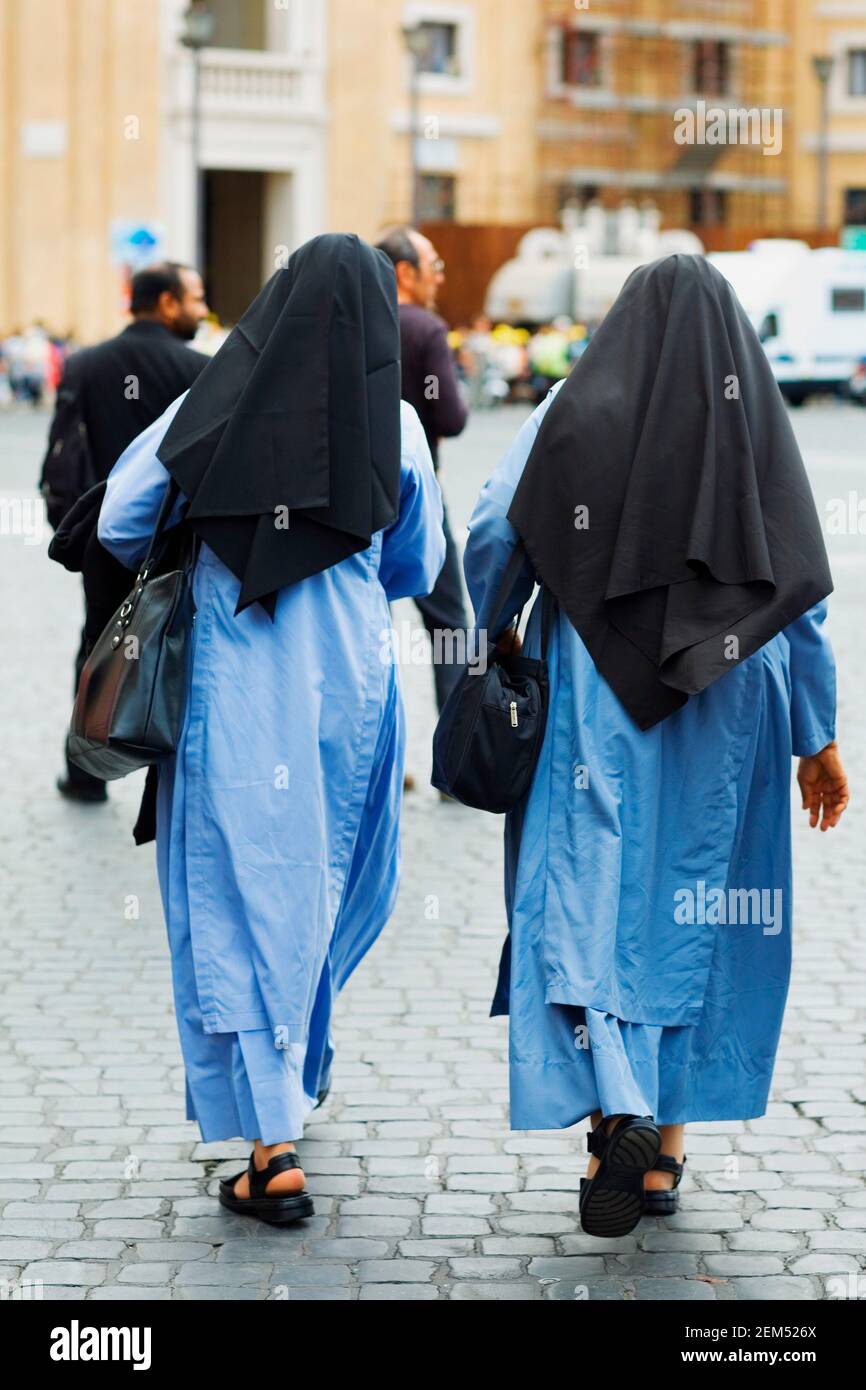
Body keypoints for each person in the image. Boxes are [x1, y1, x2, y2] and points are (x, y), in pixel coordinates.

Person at [462, 253, 848, 1239]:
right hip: (731, 689)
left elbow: (497, 533)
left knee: (593, 890)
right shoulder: (753, 423)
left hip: (597, 675)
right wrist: (817, 732)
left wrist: (500, 628)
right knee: (700, 902)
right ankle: (664, 1150)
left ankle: (614, 1102)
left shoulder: (574, 408)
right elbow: (793, 589)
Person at [96, 233, 446, 1224]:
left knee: (236, 891)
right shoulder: (396, 425)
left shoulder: (209, 401)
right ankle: (291, 1088)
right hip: (349, 686)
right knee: (319, 883)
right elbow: (416, 560)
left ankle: (272, 1142)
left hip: (232, 683)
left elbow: (122, 519)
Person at [40, 261, 210, 803]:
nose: (201, 310)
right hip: (177, 539)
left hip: (103, 538)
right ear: (166, 303)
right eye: (195, 299)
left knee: (98, 644)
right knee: (177, 647)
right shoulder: (200, 368)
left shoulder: (87, 363)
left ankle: (87, 771)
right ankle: (170, 773)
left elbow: (63, 448)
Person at [375, 227, 469, 720]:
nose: (440, 276)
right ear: (405, 272)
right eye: (434, 264)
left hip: (358, 495)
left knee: (368, 617)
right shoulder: (425, 328)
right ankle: (456, 751)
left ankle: (369, 749)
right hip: (417, 491)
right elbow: (451, 418)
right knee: (448, 619)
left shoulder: (356, 320)